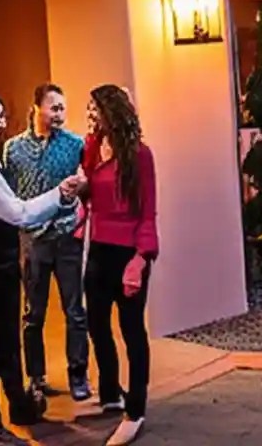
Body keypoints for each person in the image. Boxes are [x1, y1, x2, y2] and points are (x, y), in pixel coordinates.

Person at [0, 91, 84, 446]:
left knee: (7, 342)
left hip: (1, 269)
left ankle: (20, 406)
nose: (1, 123)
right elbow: (20, 213)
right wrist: (59, 194)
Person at [76, 84, 159, 446]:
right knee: (96, 324)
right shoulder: (92, 148)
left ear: (111, 112)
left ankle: (135, 410)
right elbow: (90, 196)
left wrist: (141, 259)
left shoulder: (140, 155)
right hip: (98, 249)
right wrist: (78, 190)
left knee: (132, 332)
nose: (90, 114)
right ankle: (111, 390)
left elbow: (148, 211)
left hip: (128, 252)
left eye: (94, 108)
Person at [1, 83, 91, 402]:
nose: (59, 114)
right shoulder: (13, 149)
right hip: (33, 242)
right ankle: (36, 378)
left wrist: (81, 190)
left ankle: (78, 375)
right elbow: (9, 195)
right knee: (33, 314)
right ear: (36, 108)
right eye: (54, 107)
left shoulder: (75, 144)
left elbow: (88, 186)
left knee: (75, 311)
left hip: (66, 237)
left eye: (62, 108)